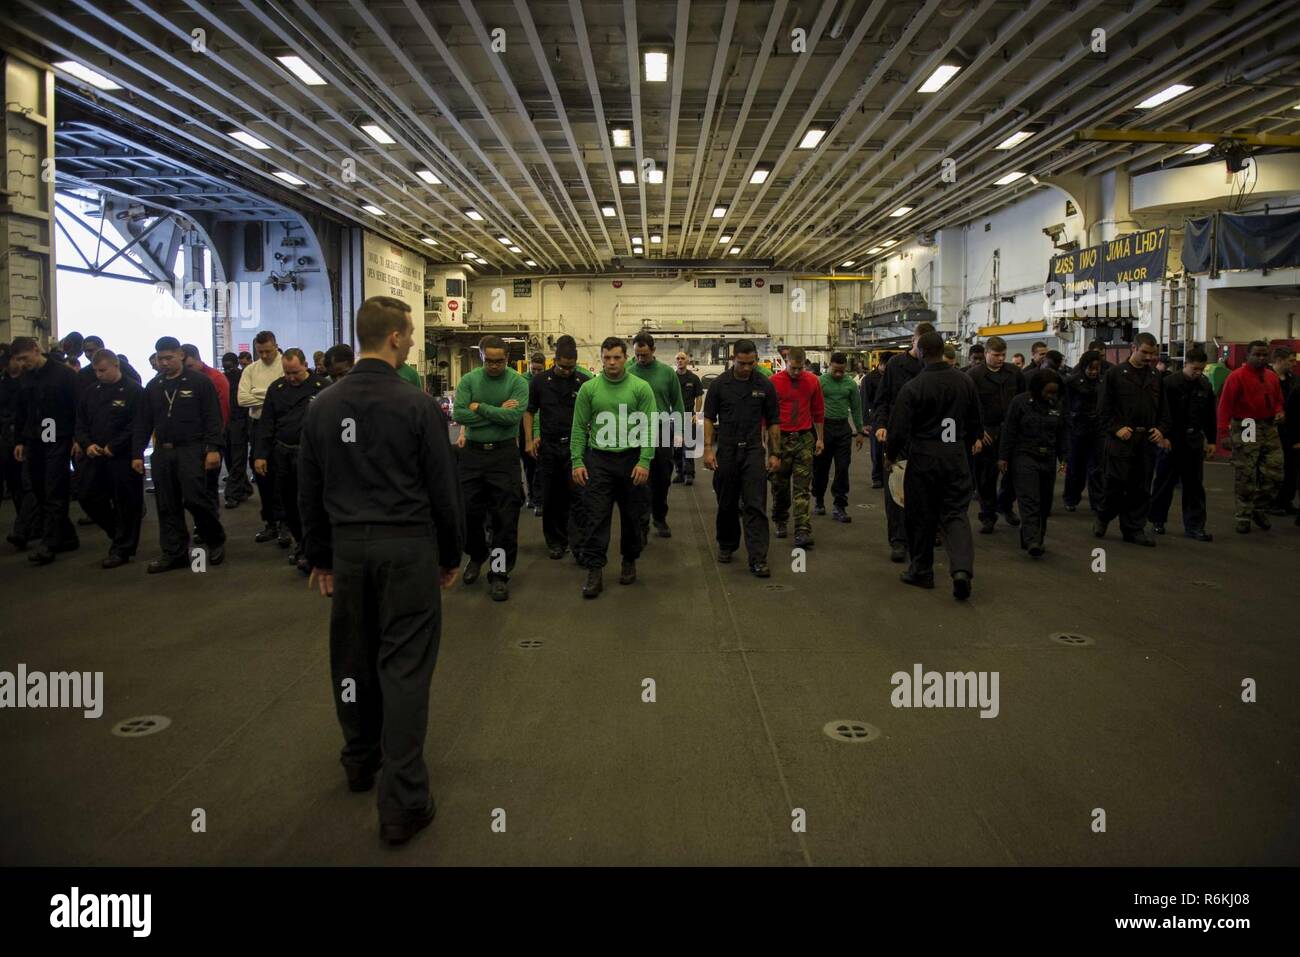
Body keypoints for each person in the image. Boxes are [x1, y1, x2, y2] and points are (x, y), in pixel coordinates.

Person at [298, 295, 465, 847]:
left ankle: (359, 760)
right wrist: (450, 555)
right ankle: (403, 802)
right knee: (405, 669)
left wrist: (319, 555)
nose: (415, 339)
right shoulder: (417, 407)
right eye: (411, 333)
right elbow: (444, 490)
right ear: (394, 337)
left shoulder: (321, 406)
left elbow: (309, 492)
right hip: (407, 550)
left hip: (349, 553)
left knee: (351, 659)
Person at [885, 331, 983, 600]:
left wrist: (890, 456)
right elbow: (976, 421)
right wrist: (969, 441)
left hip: (924, 460)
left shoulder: (914, 387)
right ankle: (961, 571)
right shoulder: (965, 382)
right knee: (955, 515)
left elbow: (898, 429)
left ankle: (922, 571)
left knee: (921, 517)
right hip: (956, 457)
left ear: (922, 353)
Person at [131, 336, 227, 573]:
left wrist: (213, 448)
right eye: (160, 359)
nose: (164, 363)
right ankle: (174, 552)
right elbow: (143, 422)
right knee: (166, 504)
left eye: (169, 358)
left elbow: (213, 418)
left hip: (192, 449)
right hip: (163, 451)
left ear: (181, 355)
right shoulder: (154, 387)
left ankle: (214, 539)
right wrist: (136, 454)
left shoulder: (200, 382)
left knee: (195, 499)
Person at [570, 336, 655, 598]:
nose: (611, 362)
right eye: (606, 358)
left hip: (630, 461)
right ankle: (594, 570)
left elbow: (650, 427)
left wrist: (644, 460)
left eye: (617, 357)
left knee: (632, 517)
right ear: (601, 358)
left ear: (625, 358)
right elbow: (578, 428)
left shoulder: (640, 388)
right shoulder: (589, 389)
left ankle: (629, 561)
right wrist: (577, 460)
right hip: (599, 461)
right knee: (596, 517)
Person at [451, 335, 528, 602]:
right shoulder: (470, 380)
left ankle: (498, 574)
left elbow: (512, 418)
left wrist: (480, 408)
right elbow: (459, 414)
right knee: (467, 513)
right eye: (490, 361)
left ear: (507, 358)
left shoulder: (517, 382)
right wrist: (496, 412)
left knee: (504, 519)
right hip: (472, 456)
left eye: (500, 361)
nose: (495, 366)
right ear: (482, 357)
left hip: (503, 456)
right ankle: (477, 553)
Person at [702, 339, 781, 577]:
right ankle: (727, 544)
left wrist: (775, 453)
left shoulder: (764, 385)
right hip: (726, 451)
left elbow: (774, 422)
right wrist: (707, 448)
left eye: (751, 363)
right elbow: (708, 417)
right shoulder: (719, 385)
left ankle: (758, 558)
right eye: (742, 363)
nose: (747, 368)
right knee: (727, 502)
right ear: (733, 359)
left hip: (753, 452)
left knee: (755, 504)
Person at [254, 348, 330, 571]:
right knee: (289, 505)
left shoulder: (322, 388)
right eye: (287, 373)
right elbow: (266, 424)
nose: (291, 378)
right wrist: (260, 455)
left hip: (312, 456)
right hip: (283, 454)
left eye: (295, 372)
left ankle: (316, 549)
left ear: (305, 365)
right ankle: (302, 545)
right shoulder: (276, 389)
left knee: (312, 504)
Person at [1094, 332, 1171, 546]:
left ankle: (1134, 529)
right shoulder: (1115, 375)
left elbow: (1164, 411)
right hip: (1120, 442)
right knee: (1115, 486)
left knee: (1141, 488)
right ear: (1133, 348)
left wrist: (1161, 430)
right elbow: (1102, 410)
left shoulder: (1155, 376)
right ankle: (1103, 516)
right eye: (1144, 352)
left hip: (1145, 441)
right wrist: (1116, 428)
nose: (1148, 357)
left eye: (1152, 354)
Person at [9, 337, 80, 563]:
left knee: (54, 490)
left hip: (58, 438)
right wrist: (19, 441)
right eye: (18, 360)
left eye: (24, 358)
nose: (21, 363)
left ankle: (49, 543)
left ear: (35, 350)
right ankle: (67, 536)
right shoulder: (26, 377)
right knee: (38, 489)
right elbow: (21, 411)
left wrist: (78, 439)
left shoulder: (64, 375)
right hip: (35, 439)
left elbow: (78, 408)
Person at [74, 349, 145, 567]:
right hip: (94, 455)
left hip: (122, 456)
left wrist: (115, 446)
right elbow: (80, 423)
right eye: (96, 371)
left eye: (103, 370)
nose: (99, 375)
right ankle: (118, 534)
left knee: (126, 503)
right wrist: (87, 444)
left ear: (116, 366)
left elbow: (137, 425)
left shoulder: (134, 391)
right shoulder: (90, 392)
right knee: (87, 495)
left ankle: (123, 549)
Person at [524, 336, 590, 561]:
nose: (566, 371)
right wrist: (529, 440)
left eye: (571, 367)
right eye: (562, 366)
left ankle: (578, 543)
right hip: (549, 448)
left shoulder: (583, 381)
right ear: (554, 361)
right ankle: (555, 541)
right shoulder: (540, 381)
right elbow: (529, 411)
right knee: (552, 498)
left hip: (575, 447)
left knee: (578, 497)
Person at [874, 323, 935, 562]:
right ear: (914, 340)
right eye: (921, 343)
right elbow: (883, 399)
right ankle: (898, 540)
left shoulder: (932, 366)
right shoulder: (895, 365)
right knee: (895, 489)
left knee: (924, 491)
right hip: (898, 435)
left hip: (927, 438)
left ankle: (921, 537)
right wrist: (880, 425)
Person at [1216, 339, 1285, 534]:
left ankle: (1260, 509)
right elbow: (1224, 406)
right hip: (1247, 425)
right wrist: (1223, 433)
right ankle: (1244, 515)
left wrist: (1279, 411)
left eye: (1264, 355)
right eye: (1257, 354)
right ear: (1248, 355)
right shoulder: (1236, 377)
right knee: (1246, 473)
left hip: (1269, 425)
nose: (1261, 358)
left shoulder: (1272, 377)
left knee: (1275, 472)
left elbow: (1278, 401)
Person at [1149, 347, 1215, 541]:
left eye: (1201, 369)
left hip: (1193, 441)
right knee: (1164, 484)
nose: (1198, 372)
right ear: (1186, 363)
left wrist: (1211, 440)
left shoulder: (1204, 385)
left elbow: (1209, 415)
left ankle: (1195, 526)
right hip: (1171, 441)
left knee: (1194, 486)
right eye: (1194, 368)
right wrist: (1162, 436)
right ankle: (1157, 520)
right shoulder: (1169, 384)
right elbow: (1159, 412)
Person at [998, 369, 1067, 557]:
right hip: (1024, 456)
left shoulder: (1059, 405)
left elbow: (1062, 433)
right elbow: (1009, 431)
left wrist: (1064, 458)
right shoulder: (1020, 402)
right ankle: (1032, 540)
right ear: (1038, 389)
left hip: (1048, 457)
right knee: (1030, 500)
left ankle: (1036, 537)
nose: (1051, 396)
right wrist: (1003, 457)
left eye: (1055, 392)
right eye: (1048, 392)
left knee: (1045, 502)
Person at [626, 332, 684, 541]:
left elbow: (677, 403)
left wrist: (679, 431)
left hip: (661, 429)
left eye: (644, 355)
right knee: (639, 478)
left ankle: (659, 517)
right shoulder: (628, 372)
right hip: (636, 430)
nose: (640, 359)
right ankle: (642, 522)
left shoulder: (667, 373)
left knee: (661, 478)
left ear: (653, 351)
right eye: (637, 355)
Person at [967, 335, 1025, 534]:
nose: (1000, 358)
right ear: (986, 354)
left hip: (1012, 431)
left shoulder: (1015, 373)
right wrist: (977, 432)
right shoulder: (974, 376)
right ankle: (988, 515)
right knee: (985, 478)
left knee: (1014, 475)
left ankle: (1006, 505)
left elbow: (1024, 401)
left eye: (1003, 355)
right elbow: (969, 407)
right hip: (987, 433)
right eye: (996, 355)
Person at [769, 346, 825, 548]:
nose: (796, 372)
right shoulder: (773, 383)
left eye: (800, 368)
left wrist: (820, 439)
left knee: (802, 487)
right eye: (793, 368)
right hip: (779, 439)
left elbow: (818, 411)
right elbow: (764, 416)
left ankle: (802, 530)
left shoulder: (812, 381)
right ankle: (780, 519)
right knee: (779, 484)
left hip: (804, 438)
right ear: (786, 363)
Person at [238, 330, 287, 546]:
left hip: (281, 426)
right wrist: (270, 396)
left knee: (283, 476)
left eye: (268, 351)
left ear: (276, 346)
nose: (265, 355)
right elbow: (242, 399)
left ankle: (286, 523)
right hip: (257, 427)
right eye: (260, 352)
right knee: (262, 475)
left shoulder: (285, 365)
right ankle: (270, 523)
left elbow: (285, 398)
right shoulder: (250, 369)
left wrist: (257, 393)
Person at [813, 351, 865, 524]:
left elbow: (857, 409)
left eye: (842, 371)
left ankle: (839, 505)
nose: (839, 374)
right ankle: (819, 499)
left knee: (843, 468)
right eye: (836, 370)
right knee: (821, 467)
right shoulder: (820, 382)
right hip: (824, 428)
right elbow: (811, 407)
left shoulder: (850, 384)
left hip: (843, 429)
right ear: (830, 366)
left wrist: (859, 431)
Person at [182, 344, 231, 506]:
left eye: (189, 366)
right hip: (189, 443)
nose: (187, 370)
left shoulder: (216, 379)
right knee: (192, 487)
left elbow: (222, 415)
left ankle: (210, 525)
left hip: (210, 440)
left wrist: (213, 447)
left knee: (208, 486)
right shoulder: (183, 380)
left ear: (198, 360)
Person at [1062, 350, 1105, 513]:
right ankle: (1071, 498)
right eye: (1091, 369)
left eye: (1097, 369)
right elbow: (1065, 406)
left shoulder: (1102, 381)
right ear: (1083, 367)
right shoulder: (1071, 382)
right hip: (1076, 430)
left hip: (1096, 430)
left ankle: (1097, 501)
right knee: (1075, 467)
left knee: (1096, 468)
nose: (1094, 372)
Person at [220, 352, 253, 508]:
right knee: (233, 459)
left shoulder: (240, 377)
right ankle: (244, 488)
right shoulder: (228, 377)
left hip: (238, 422)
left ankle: (232, 493)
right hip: (231, 422)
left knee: (236, 459)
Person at [1268, 346, 1296, 514]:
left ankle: (1286, 500)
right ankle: (1272, 501)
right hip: (1271, 429)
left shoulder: (1293, 379)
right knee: (1274, 467)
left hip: (1290, 430)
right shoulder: (1266, 378)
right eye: (1290, 361)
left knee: (1291, 467)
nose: (1293, 364)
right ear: (1279, 360)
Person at [520, 352, 546, 514]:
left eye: (539, 370)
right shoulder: (521, 381)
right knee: (529, 466)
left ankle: (540, 499)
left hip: (542, 427)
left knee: (541, 466)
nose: (536, 373)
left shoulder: (546, 382)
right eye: (533, 369)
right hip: (524, 428)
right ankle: (531, 496)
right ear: (529, 366)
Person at [672, 351, 703, 485]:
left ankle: (689, 474)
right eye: (678, 358)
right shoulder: (671, 378)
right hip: (674, 417)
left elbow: (699, 397)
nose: (680, 360)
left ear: (687, 361)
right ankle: (679, 473)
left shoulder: (694, 378)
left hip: (689, 416)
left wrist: (697, 414)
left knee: (688, 447)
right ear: (675, 361)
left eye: (682, 358)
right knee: (677, 447)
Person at [859, 357, 887, 488]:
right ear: (880, 364)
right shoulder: (869, 379)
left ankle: (887, 476)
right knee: (876, 449)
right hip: (875, 417)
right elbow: (864, 401)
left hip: (889, 417)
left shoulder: (891, 377)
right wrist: (866, 422)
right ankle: (876, 477)